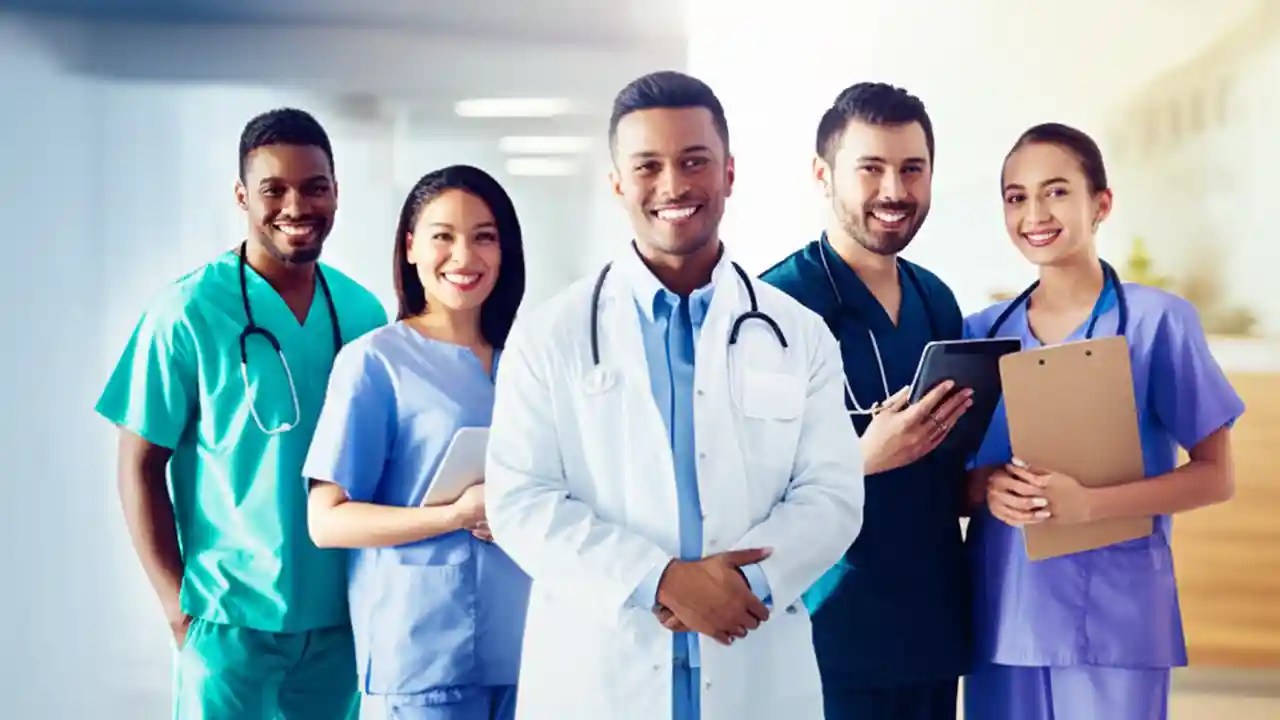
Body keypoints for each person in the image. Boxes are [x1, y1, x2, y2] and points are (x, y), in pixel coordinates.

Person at [483, 70, 865, 720]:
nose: (673, 185)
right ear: (616, 184)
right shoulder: (552, 334)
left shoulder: (798, 335)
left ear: (729, 173)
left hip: (753, 663)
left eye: (694, 161)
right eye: (648, 166)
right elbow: (520, 500)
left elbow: (832, 495)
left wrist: (741, 585)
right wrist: (658, 580)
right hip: (600, 676)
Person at [94, 107, 388, 718]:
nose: (296, 205)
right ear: (241, 195)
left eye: (314, 187)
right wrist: (177, 607)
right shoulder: (187, 311)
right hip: (228, 620)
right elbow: (139, 464)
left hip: (339, 621)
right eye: (273, 188)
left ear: (336, 193)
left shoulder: (361, 314)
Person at [963, 122, 1245, 720]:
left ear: (1102, 204)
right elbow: (952, 482)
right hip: (1005, 619)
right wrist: (988, 487)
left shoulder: (1157, 323)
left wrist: (1088, 505)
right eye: (1016, 197)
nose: (1034, 212)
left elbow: (1215, 476)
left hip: (1119, 619)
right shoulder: (979, 334)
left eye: (1057, 190)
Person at [759, 82, 973, 720]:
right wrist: (861, 458)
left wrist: (986, 485)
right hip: (831, 630)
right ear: (823, 175)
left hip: (934, 623)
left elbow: (943, 469)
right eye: (870, 168)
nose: (894, 191)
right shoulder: (777, 310)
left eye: (912, 169)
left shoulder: (937, 301)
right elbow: (739, 488)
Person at [301, 164, 530, 720]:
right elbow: (327, 522)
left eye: (484, 237)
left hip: (525, 649)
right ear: (410, 247)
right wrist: (456, 515)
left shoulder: (526, 363)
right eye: (443, 236)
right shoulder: (375, 362)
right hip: (420, 658)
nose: (464, 257)